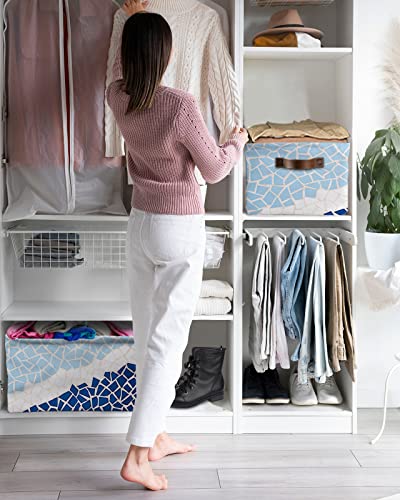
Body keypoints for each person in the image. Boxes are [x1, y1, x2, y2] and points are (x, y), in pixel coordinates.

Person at [107, 0, 248, 491]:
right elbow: (213, 168)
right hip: (178, 224)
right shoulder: (181, 105)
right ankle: (136, 455)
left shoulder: (116, 95)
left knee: (148, 332)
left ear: (127, 55)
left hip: (140, 220)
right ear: (165, 55)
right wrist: (238, 141)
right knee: (169, 343)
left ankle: (158, 433)